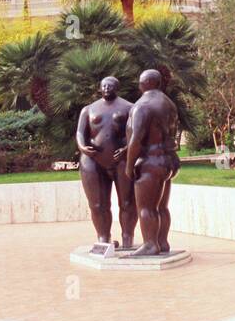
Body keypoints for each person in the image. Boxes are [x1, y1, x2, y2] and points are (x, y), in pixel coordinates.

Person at [75, 76, 136, 248]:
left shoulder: (129, 108)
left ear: (117, 87)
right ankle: (103, 237)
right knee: (97, 203)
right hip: (93, 161)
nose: (107, 88)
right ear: (99, 88)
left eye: (110, 85)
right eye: (104, 85)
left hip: (122, 160)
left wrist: (126, 150)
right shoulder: (88, 109)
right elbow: (80, 132)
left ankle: (127, 237)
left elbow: (136, 134)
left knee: (127, 202)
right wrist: (82, 146)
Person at [125, 68, 181, 256]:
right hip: (170, 160)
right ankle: (162, 242)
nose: (139, 85)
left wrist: (129, 165)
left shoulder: (143, 106)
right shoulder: (169, 104)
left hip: (151, 161)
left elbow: (135, 140)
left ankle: (150, 244)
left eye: (141, 82)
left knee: (147, 207)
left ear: (147, 83)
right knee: (162, 206)